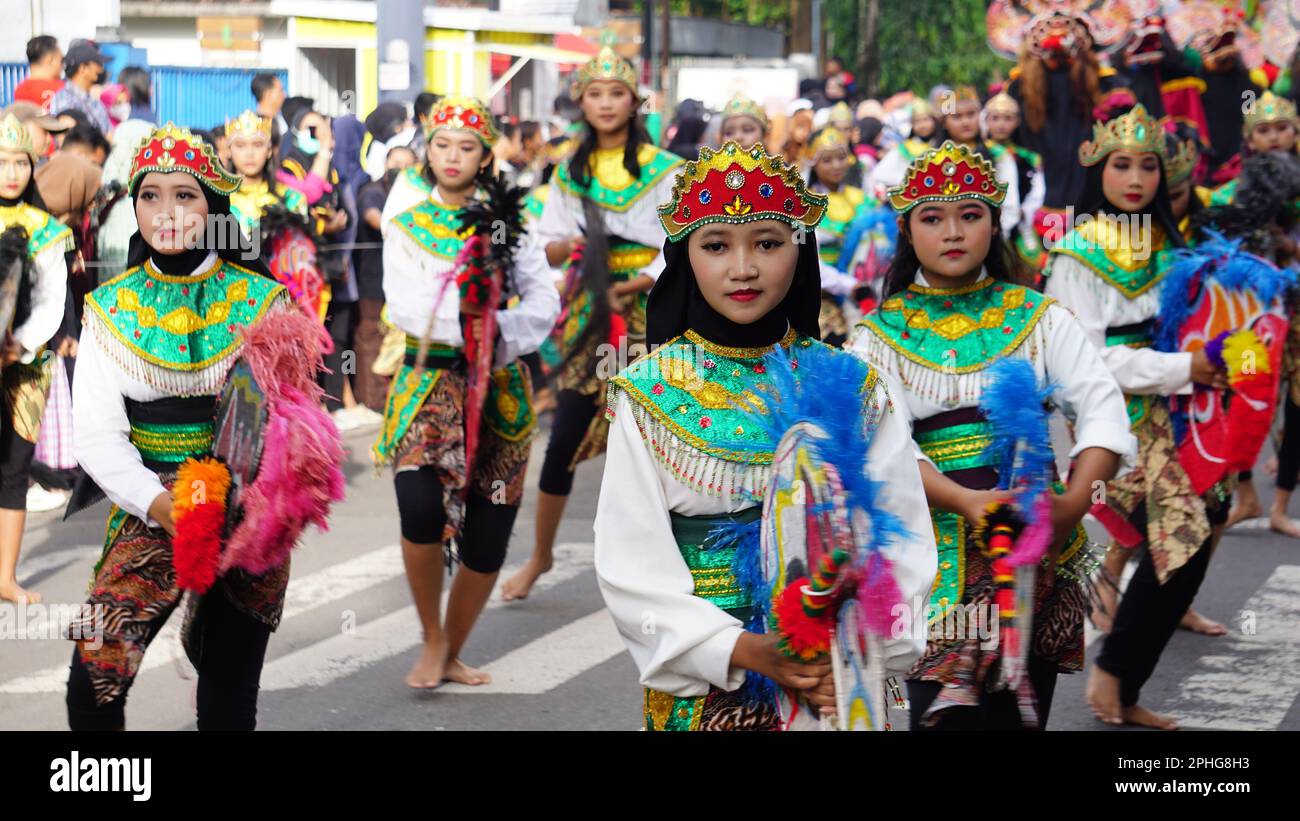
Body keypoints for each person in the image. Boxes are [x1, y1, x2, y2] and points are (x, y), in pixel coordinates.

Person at [595, 140, 936, 730]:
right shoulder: (647, 393)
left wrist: (861, 648)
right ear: (684, 256)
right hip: (708, 690)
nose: (744, 267)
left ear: (798, 252)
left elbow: (902, 539)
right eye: (716, 245)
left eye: (768, 244)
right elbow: (631, 569)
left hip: (835, 678)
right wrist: (745, 650)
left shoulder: (853, 385)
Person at [850, 140, 1133, 729]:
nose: (952, 231)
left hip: (1037, 547)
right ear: (907, 231)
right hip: (932, 558)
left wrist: (1074, 503)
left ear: (994, 223)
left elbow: (1102, 404)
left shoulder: (1038, 315)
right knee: (942, 721)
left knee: (1019, 719)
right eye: (933, 218)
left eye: (970, 215)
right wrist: (963, 500)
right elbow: (883, 447)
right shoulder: (876, 337)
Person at [65, 123, 329, 730]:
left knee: (228, 704)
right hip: (147, 506)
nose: (166, 212)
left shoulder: (265, 303)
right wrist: (161, 506)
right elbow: (98, 437)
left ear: (213, 207)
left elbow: (291, 427)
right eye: (150, 195)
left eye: (185, 196)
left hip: (250, 512)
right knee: (92, 686)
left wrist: (248, 500)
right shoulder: (107, 307)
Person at [1042, 104, 1229, 729]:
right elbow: (1086, 360)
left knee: (1205, 521)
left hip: (1182, 409)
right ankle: (1114, 671)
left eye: (1148, 165)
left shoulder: (1168, 246)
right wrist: (1183, 368)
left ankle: (1120, 674)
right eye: (1121, 164)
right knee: (1182, 536)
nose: (1136, 178)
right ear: (1097, 170)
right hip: (1119, 420)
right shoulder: (1075, 253)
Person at [372, 96, 559, 688]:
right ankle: (430, 636)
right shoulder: (405, 225)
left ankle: (453, 648)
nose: (453, 156)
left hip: (499, 386)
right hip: (428, 380)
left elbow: (543, 301)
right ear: (427, 150)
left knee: (489, 529)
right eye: (442, 144)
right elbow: (403, 305)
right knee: (419, 505)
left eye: (468, 146)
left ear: (485, 157)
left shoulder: (510, 221)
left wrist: (495, 332)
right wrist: (469, 328)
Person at [501, 47, 683, 601]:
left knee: (666, 438)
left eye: (617, 93)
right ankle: (540, 555)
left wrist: (638, 282)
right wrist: (566, 248)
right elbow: (546, 249)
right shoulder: (568, 171)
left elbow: (680, 240)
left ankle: (676, 563)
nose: (606, 103)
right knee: (563, 441)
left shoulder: (666, 169)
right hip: (589, 314)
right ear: (582, 102)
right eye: (595, 93)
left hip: (652, 312)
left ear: (634, 102)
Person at [0, 113, 72, 605]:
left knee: (11, 471)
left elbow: (50, 300)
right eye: (2, 161)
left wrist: (15, 345)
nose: (11, 171)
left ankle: (4, 577)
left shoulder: (46, 231)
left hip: (22, 366)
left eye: (20, 162)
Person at [352, 145, 416, 412]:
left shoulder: (416, 194)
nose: (399, 168)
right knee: (371, 337)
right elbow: (373, 218)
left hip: (405, 282)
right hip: (373, 279)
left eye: (406, 164)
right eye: (394, 162)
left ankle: (394, 398)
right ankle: (371, 400)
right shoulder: (374, 191)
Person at [984, 91, 1046, 265]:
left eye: (1007, 118)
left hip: (1021, 222)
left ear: (1017, 121)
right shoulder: (982, 153)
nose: (1001, 124)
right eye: (995, 118)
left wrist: (1024, 211)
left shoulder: (1029, 157)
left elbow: (1037, 191)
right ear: (986, 120)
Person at [48, 40, 113, 136]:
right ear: (83, 68)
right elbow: (68, 139)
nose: (101, 69)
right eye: (97, 64)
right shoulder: (64, 99)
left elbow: (108, 131)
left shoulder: (94, 101)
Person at [13, 36, 64, 111]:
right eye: (61, 60)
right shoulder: (62, 89)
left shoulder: (19, 90)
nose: (63, 65)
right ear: (49, 59)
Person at [252, 72, 288, 140]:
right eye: (281, 90)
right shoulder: (252, 125)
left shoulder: (283, 123)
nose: (284, 95)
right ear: (268, 94)